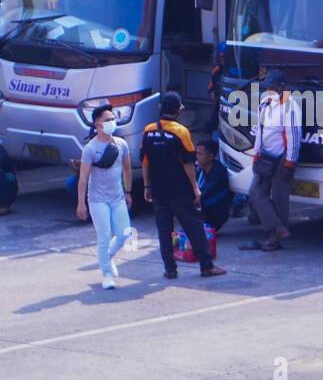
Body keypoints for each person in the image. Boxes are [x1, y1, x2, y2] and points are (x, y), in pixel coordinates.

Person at [140, 92, 226, 279]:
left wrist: (147, 187)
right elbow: (188, 163)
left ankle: (170, 269)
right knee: (194, 227)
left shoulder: (147, 130)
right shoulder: (181, 132)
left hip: (158, 190)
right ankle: (206, 266)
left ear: (159, 108)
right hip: (180, 190)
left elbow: (145, 161)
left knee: (164, 230)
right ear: (179, 110)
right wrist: (195, 187)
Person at [242, 69, 301, 251]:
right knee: (255, 192)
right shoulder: (265, 102)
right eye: (267, 86)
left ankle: (275, 239)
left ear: (282, 86)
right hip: (265, 156)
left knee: (279, 197)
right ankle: (278, 229)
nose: (269, 89)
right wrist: (256, 153)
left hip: (283, 156)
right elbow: (260, 130)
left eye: (273, 86)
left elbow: (294, 136)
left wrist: (289, 163)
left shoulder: (290, 106)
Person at [76, 105, 133, 289]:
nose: (111, 122)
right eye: (107, 120)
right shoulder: (90, 149)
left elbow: (127, 169)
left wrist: (128, 192)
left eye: (112, 119)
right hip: (97, 199)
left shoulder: (121, 144)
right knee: (104, 235)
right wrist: (81, 203)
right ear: (98, 124)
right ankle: (107, 274)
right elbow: (83, 177)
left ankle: (106, 256)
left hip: (117, 198)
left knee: (125, 234)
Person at [196, 138, 232, 231]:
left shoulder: (219, 171)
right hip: (205, 206)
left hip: (216, 211)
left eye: (200, 154)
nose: (196, 157)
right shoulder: (200, 170)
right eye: (196, 153)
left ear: (211, 156)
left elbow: (206, 192)